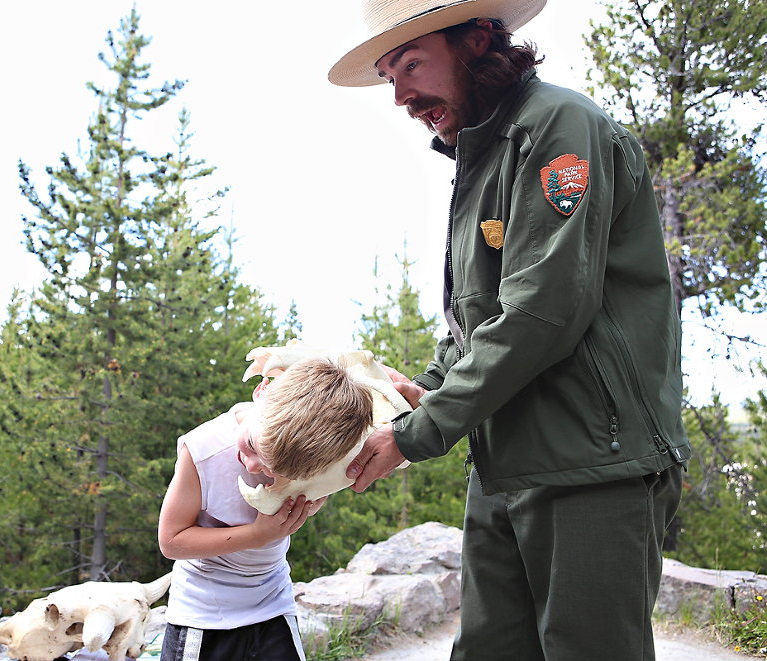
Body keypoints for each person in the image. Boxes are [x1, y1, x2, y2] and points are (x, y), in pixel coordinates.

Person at [329, 1, 692, 660]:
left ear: (474, 41)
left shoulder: (558, 129)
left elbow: (540, 312)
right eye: (389, 77)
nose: (402, 97)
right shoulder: (482, 154)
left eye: (411, 64)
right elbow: (476, 319)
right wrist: (422, 391)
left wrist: (418, 431)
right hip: (504, 464)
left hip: (593, 464)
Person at [157, 356, 375, 661]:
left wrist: (312, 502)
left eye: (272, 469)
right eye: (250, 445)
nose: (251, 464)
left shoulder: (308, 453)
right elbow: (170, 540)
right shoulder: (203, 450)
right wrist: (258, 535)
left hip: (273, 601)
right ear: (263, 390)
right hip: (204, 614)